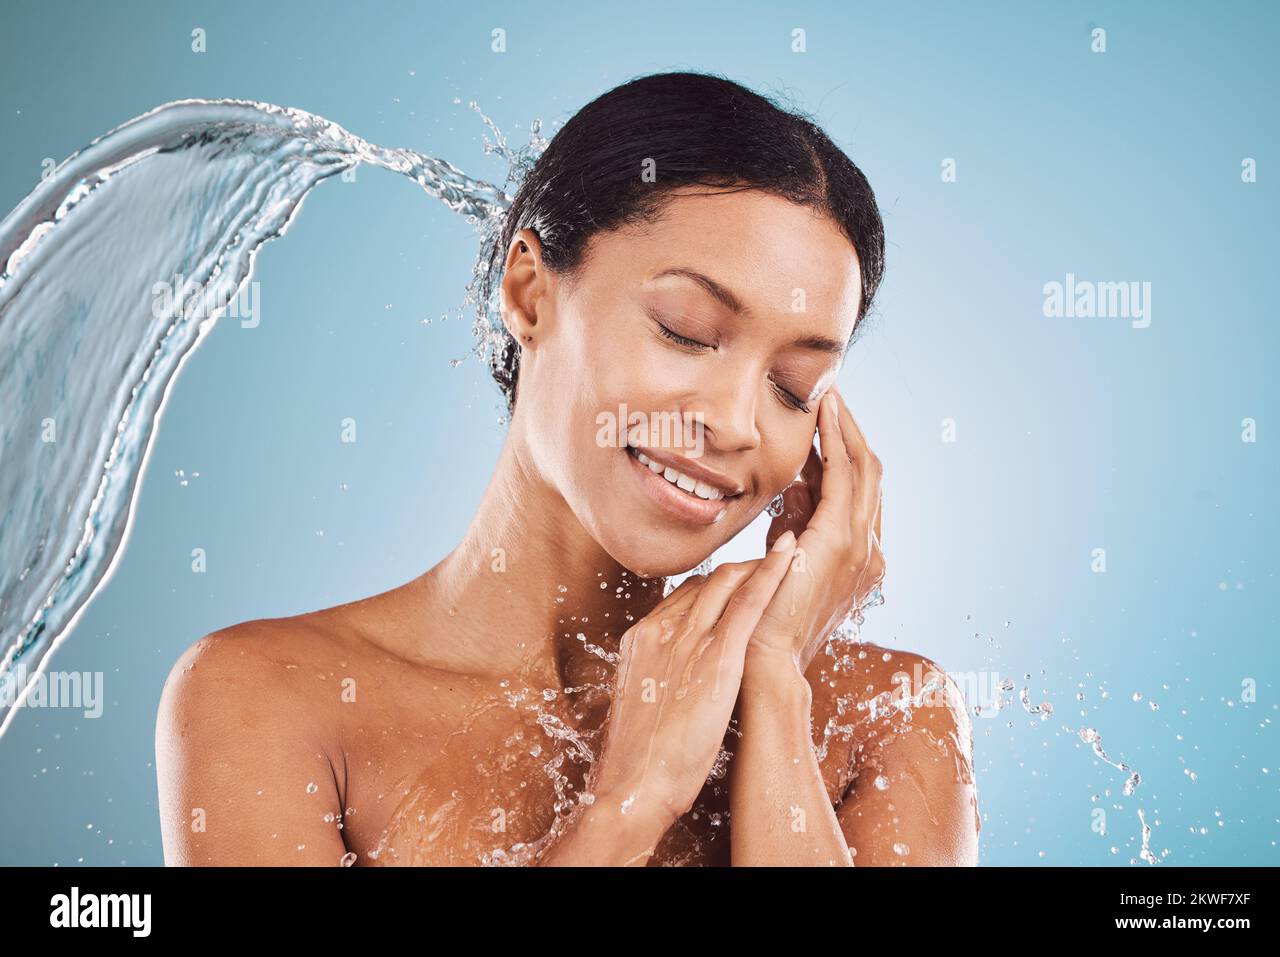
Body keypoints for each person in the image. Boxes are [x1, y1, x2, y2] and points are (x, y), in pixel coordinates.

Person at [155, 71, 979, 866]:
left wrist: (772, 683)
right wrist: (628, 801)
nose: (734, 423)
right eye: (687, 331)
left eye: (794, 387)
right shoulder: (269, 699)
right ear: (528, 291)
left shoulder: (888, 716)